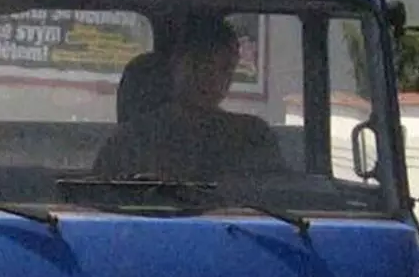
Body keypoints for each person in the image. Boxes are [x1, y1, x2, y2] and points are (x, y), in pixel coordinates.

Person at [93, 16, 284, 181]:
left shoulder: (252, 138)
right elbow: (99, 210)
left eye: (225, 68)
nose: (212, 78)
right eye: (200, 64)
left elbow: (279, 199)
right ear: (176, 64)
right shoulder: (131, 142)